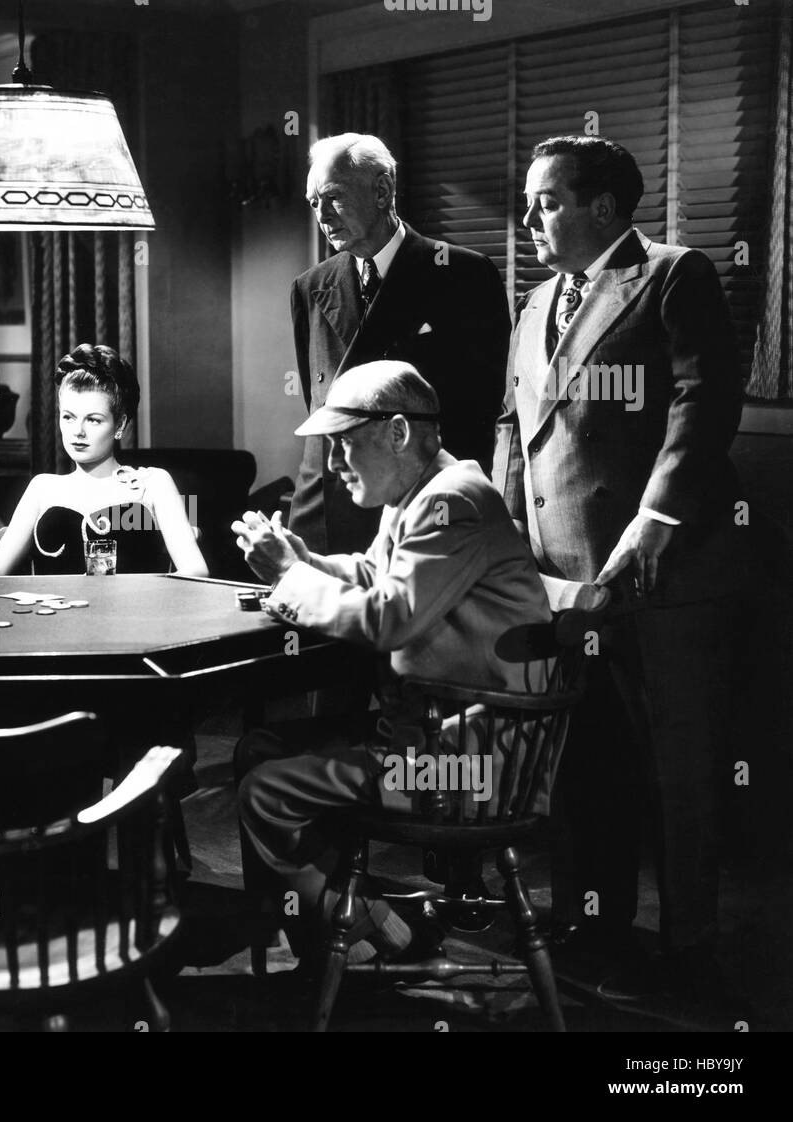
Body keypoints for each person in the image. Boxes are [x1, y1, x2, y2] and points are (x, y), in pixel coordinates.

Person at [495, 135, 748, 1002]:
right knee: (582, 759)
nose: (529, 216)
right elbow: (509, 426)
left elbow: (702, 396)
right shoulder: (532, 306)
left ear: (603, 206)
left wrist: (657, 516)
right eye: (530, 202)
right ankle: (587, 922)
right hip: (563, 575)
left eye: (547, 200)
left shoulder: (675, 274)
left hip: (662, 573)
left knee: (679, 771)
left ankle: (692, 955)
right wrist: (500, 535)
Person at [233, 361, 549, 965]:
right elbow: (380, 577)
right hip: (439, 746)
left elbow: (390, 617)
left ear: (398, 433)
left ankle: (376, 934)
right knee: (260, 749)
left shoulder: (452, 502)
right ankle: (342, 944)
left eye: (345, 444)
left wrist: (289, 576)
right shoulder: (423, 492)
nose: (332, 464)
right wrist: (304, 561)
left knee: (264, 791)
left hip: (469, 773)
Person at [288, 133, 510, 556]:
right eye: (313, 202)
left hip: (423, 503)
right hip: (329, 500)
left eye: (332, 197)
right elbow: (318, 402)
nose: (322, 214)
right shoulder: (310, 287)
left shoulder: (463, 274)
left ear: (383, 190)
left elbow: (483, 410)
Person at [0, 344, 207, 578]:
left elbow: (196, 572)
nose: (78, 431)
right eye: (68, 417)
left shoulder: (153, 484)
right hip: (53, 627)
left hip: (136, 628)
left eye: (93, 419)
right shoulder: (43, 488)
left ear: (120, 424)